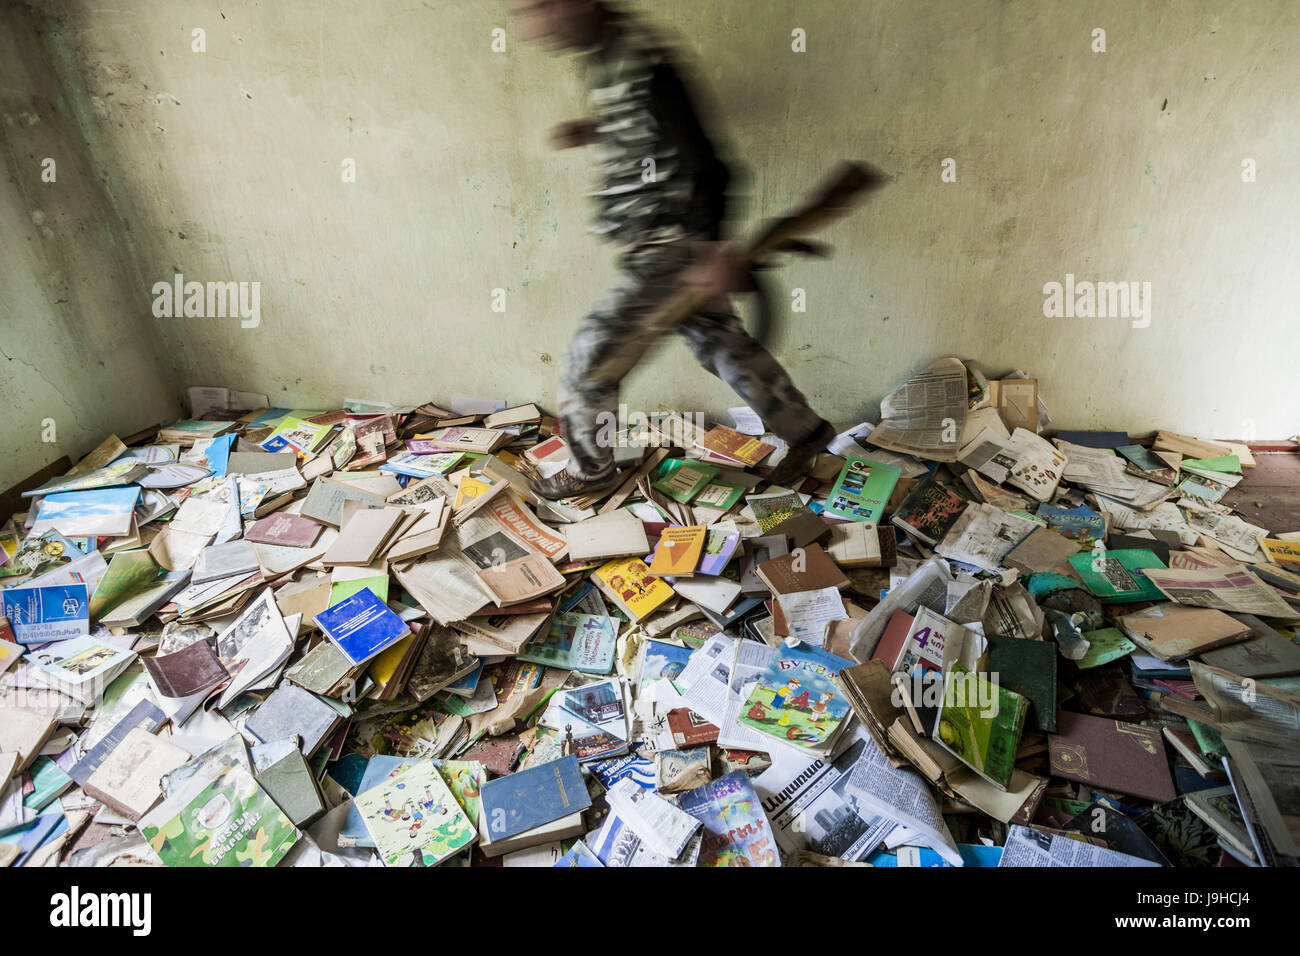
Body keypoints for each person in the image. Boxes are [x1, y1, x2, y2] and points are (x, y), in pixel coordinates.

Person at [509, 0, 837, 500]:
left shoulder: (644, 61)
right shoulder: (606, 56)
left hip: (670, 246)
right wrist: (595, 131)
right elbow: (651, 133)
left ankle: (591, 471)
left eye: (540, 9)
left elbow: (708, 163)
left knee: (590, 361)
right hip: (664, 241)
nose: (534, 28)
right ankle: (807, 433)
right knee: (723, 346)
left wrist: (709, 246)